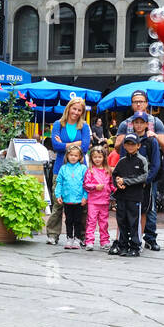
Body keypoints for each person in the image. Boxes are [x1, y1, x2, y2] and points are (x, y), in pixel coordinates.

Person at [46, 97, 89, 245]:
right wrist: (74, 144)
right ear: (68, 108)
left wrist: (64, 144)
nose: (76, 112)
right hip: (60, 169)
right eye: (74, 109)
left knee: (81, 206)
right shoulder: (59, 124)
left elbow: (84, 147)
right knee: (58, 204)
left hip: (80, 172)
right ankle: (53, 234)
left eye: (79, 110)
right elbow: (55, 146)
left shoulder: (84, 126)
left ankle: (80, 236)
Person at [128, 112, 162, 250]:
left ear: (147, 124)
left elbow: (156, 163)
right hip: (132, 180)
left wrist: (147, 180)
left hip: (147, 181)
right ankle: (132, 237)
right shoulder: (129, 139)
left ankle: (150, 238)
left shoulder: (151, 141)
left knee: (149, 209)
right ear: (132, 124)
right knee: (132, 209)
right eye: (137, 122)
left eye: (142, 122)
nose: (139, 125)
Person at [109, 132, 148, 257]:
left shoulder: (142, 160)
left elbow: (144, 177)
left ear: (138, 146)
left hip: (135, 196)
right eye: (128, 144)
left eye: (133, 144)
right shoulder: (122, 161)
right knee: (122, 221)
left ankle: (135, 246)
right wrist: (118, 183)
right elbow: (115, 175)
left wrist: (126, 181)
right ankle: (123, 245)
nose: (130, 146)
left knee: (134, 221)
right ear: (124, 146)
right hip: (122, 196)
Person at [54, 144, 88, 249]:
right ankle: (69, 238)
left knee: (78, 220)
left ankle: (77, 238)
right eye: (71, 155)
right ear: (67, 156)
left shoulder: (83, 168)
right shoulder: (63, 168)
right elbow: (59, 182)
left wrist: (85, 197)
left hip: (78, 200)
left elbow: (86, 184)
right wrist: (58, 195)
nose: (73, 157)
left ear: (80, 157)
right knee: (68, 220)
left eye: (76, 155)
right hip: (67, 199)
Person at [83, 144, 112, 251]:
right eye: (95, 157)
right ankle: (89, 241)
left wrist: (115, 189)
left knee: (104, 223)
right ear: (91, 158)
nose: (97, 159)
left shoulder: (107, 170)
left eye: (99, 157)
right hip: (93, 202)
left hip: (105, 201)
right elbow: (86, 185)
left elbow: (111, 184)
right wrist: (95, 186)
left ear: (104, 158)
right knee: (91, 221)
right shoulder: (90, 171)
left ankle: (104, 241)